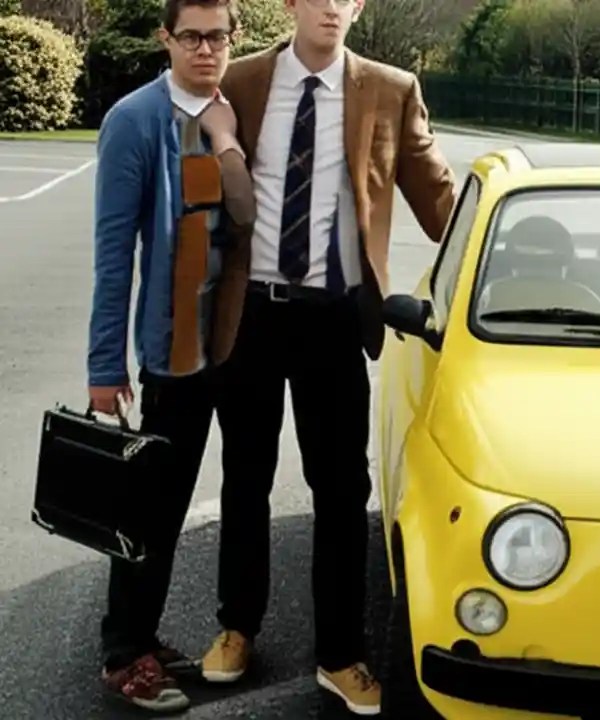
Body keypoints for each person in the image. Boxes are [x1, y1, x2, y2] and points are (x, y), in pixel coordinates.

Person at [199, 0, 457, 712]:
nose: (333, 8)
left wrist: (511, 234)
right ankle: (236, 626)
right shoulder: (244, 81)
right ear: (290, 4)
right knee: (244, 478)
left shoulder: (392, 88)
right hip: (251, 314)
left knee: (342, 492)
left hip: (336, 320)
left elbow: (440, 203)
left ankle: (341, 655)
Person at [87, 0, 256, 711]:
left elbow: (248, 218)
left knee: (238, 490)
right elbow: (113, 253)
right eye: (192, 36)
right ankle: (125, 653)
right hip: (173, 353)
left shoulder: (232, 110)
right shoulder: (134, 120)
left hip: (240, 343)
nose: (206, 49)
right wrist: (104, 367)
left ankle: (150, 635)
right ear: (166, 38)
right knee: (153, 510)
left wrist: (226, 139)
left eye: (218, 36)